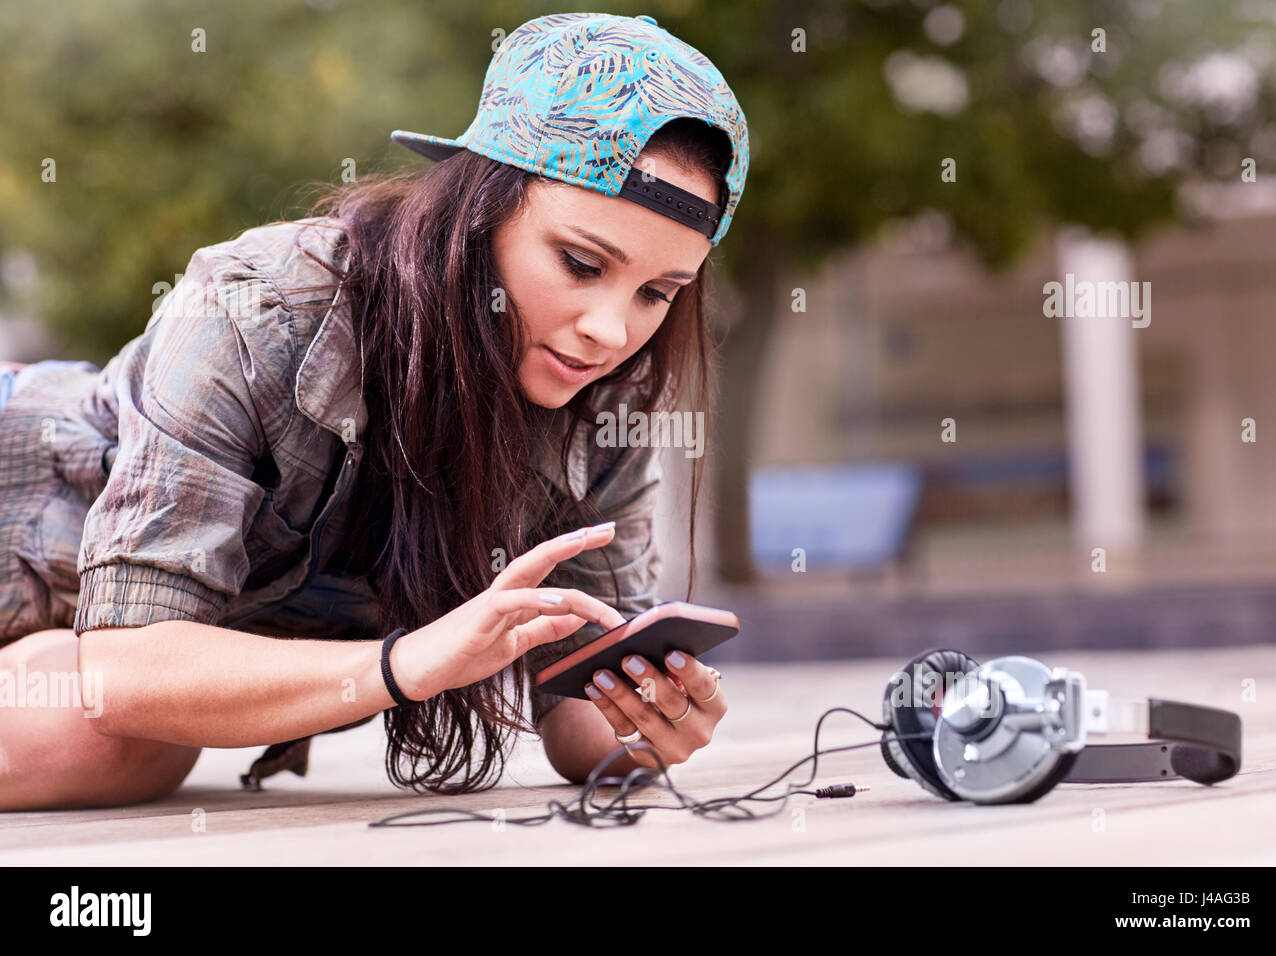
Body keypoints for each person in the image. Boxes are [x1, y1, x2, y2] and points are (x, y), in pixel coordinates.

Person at [0, 11, 749, 811]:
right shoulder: (260, 306)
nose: (610, 331)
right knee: (94, 732)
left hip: (80, 654)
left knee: (128, 737)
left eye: (656, 294)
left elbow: (574, 716)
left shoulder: (606, 402)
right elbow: (124, 673)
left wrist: (644, 723)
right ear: (480, 209)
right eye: (579, 263)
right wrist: (405, 664)